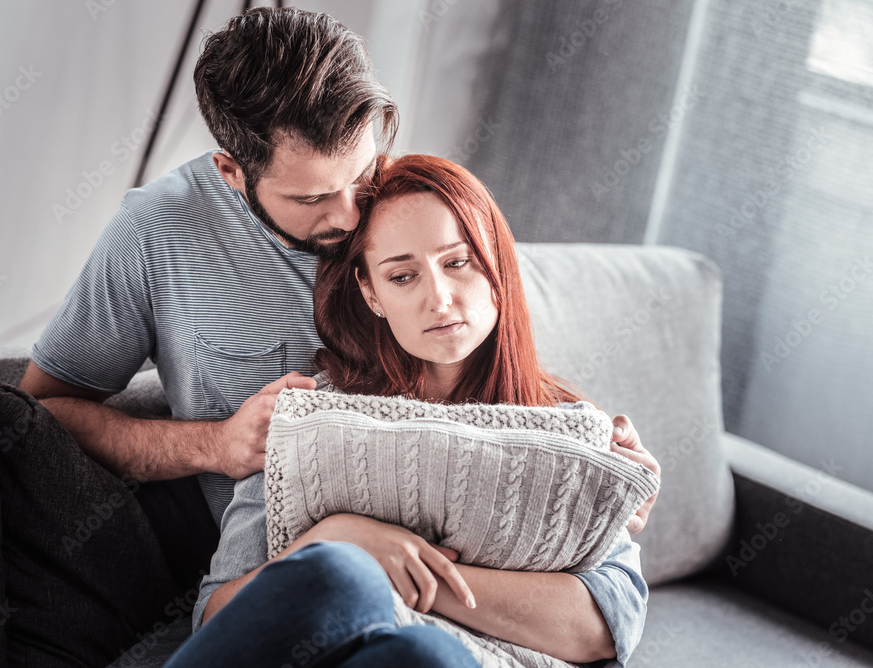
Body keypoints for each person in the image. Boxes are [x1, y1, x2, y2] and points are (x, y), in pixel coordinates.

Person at [18, 8, 657, 544]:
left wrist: (586, 434)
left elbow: (474, 352)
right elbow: (43, 408)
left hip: (455, 530)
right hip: (291, 555)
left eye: (360, 175)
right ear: (231, 171)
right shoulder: (156, 231)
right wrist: (215, 445)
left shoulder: (402, 198)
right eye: (311, 199)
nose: (352, 214)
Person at [167, 155, 651, 668]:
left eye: (457, 262)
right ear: (371, 293)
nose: (438, 299)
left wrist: (407, 571)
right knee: (345, 581)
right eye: (402, 277)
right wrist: (335, 541)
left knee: (421, 651)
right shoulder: (311, 417)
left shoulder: (567, 428)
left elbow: (605, 627)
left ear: (496, 267)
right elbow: (216, 617)